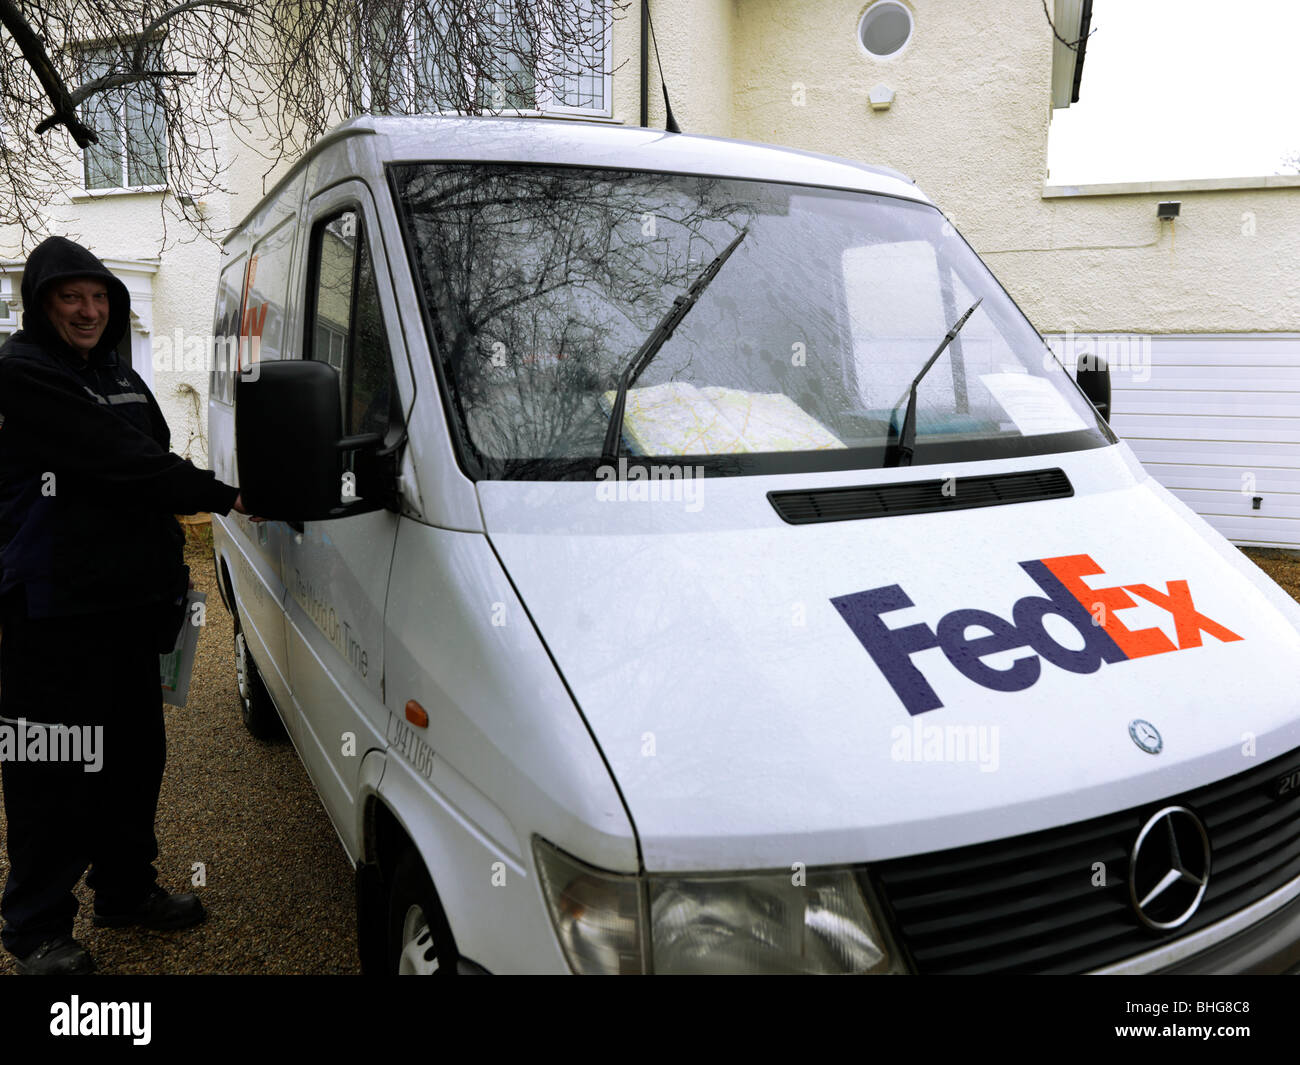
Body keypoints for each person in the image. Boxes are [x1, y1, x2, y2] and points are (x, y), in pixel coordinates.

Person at [0, 235, 252, 975]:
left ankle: (125, 890)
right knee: (53, 769)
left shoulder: (117, 374)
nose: (88, 309)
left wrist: (171, 578)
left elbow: (143, 468)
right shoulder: (22, 374)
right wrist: (224, 494)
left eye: (99, 297)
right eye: (71, 297)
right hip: (53, 612)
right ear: (43, 305)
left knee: (133, 759)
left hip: (130, 605)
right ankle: (38, 926)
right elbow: (124, 461)